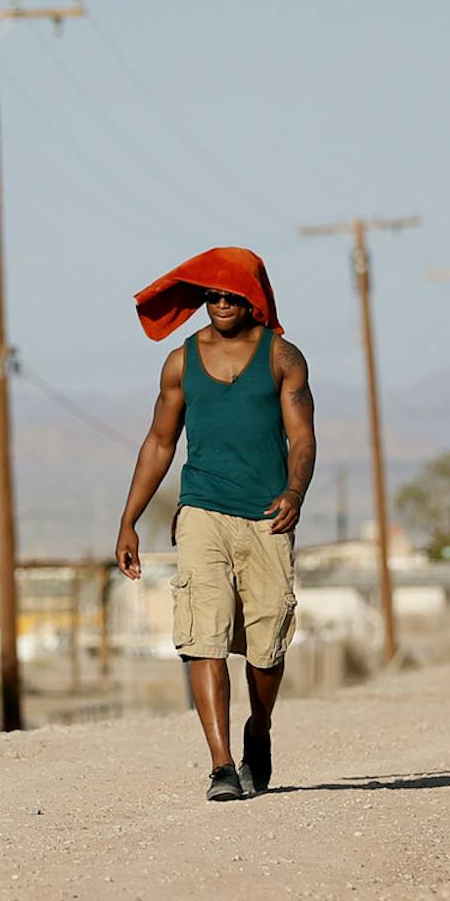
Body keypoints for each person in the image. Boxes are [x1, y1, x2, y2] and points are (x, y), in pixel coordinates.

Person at [114, 247, 317, 801]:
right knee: (203, 635)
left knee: (266, 643)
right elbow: (160, 442)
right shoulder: (181, 362)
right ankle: (222, 765)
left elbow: (301, 437)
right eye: (212, 295)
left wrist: (295, 491)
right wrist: (129, 520)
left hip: (267, 516)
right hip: (201, 509)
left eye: (232, 295)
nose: (222, 304)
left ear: (253, 299)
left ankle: (259, 728)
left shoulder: (283, 359)